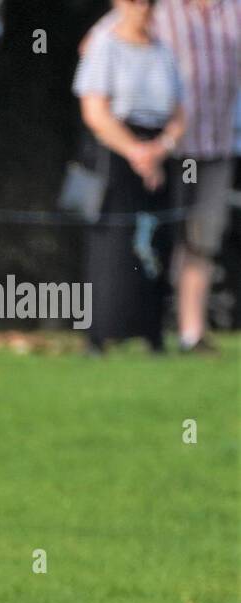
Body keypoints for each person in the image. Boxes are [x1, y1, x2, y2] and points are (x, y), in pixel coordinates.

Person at [86, 0, 241, 352]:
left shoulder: (235, 9)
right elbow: (100, 40)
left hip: (216, 143)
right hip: (164, 150)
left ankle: (191, 333)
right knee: (157, 239)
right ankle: (143, 325)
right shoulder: (160, 7)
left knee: (203, 239)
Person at [75, 0, 187, 353]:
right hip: (115, 154)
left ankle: (150, 331)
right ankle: (101, 333)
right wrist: (135, 151)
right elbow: (95, 111)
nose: (144, 9)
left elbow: (180, 111)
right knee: (112, 243)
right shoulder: (105, 45)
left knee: (154, 240)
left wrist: (159, 148)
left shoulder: (163, 52)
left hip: (156, 154)